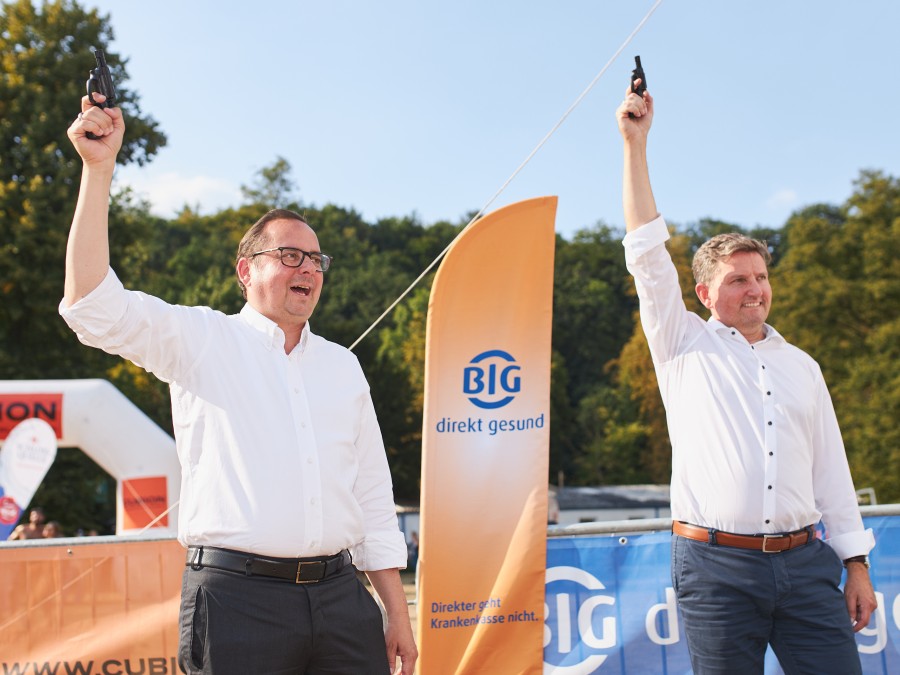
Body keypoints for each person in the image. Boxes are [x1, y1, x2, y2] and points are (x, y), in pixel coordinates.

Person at [61, 95, 417, 675]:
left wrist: (394, 609)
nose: (308, 268)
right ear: (246, 271)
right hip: (236, 605)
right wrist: (98, 171)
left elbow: (373, 497)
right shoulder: (201, 339)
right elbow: (92, 308)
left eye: (316, 259)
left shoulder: (341, 367)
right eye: (289, 255)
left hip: (342, 601)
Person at [616, 78, 877, 673]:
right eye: (738, 279)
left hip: (809, 566)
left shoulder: (801, 365)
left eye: (760, 276)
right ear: (705, 293)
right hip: (715, 570)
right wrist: (635, 144)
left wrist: (855, 563)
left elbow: (830, 470)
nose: (755, 288)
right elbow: (646, 253)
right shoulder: (681, 341)